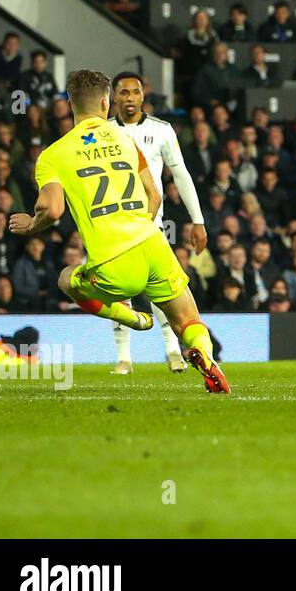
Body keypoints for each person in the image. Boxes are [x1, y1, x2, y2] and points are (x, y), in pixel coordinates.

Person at [7, 70, 228, 393]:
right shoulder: (127, 140)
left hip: (113, 261)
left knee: (67, 278)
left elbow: (52, 210)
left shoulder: (53, 154)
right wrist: (140, 228)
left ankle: (132, 318)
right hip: (153, 243)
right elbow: (155, 195)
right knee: (188, 320)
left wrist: (30, 224)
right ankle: (206, 358)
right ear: (106, 101)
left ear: (70, 104)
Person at [107, 71, 208, 375]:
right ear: (113, 97)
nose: (129, 98)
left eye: (135, 92)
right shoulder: (101, 132)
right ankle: (124, 357)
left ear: (143, 95)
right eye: (123, 93)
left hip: (152, 223)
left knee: (159, 288)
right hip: (114, 223)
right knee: (117, 291)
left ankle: (172, 350)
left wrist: (198, 220)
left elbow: (181, 174)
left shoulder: (162, 131)